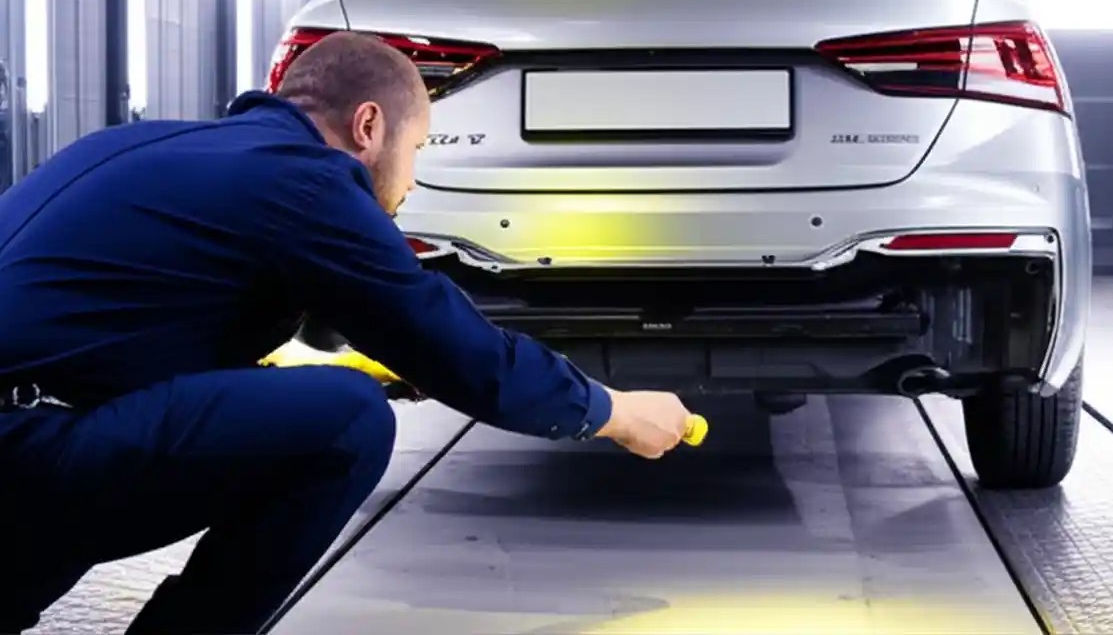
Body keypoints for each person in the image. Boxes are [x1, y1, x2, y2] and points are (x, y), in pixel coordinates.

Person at [0, 32, 694, 634]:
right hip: (23, 449)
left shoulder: (144, 146)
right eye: (418, 148)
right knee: (344, 422)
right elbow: (460, 351)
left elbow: (114, 342)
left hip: (24, 427)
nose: (412, 183)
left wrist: (367, 363)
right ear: (368, 126)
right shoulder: (307, 181)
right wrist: (615, 411)